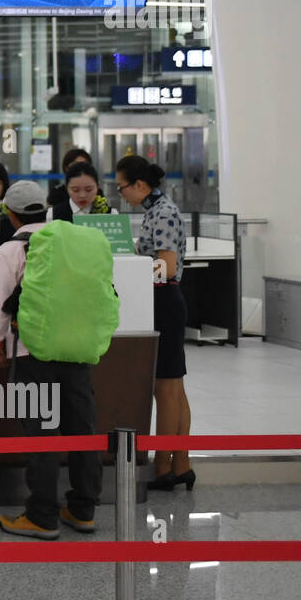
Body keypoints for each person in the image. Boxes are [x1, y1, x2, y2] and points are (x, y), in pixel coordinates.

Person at [0, 180, 102, 539]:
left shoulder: (10, 250)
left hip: (32, 353)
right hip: (77, 348)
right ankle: (83, 510)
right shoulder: (73, 242)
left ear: (11, 214)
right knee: (82, 430)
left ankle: (42, 515)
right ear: (47, 207)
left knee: (41, 433)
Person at [116, 156, 194, 492]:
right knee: (176, 389)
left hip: (164, 301)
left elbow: (167, 267)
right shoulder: (157, 210)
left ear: (139, 185)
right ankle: (182, 464)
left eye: (122, 187)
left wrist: (132, 270)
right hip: (165, 302)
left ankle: (164, 468)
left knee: (165, 387)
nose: (121, 194)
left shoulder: (162, 213)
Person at [48, 161, 114, 223]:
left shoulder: (111, 214)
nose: (82, 195)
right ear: (66, 188)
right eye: (75, 190)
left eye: (89, 189)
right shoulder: (53, 214)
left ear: (98, 186)